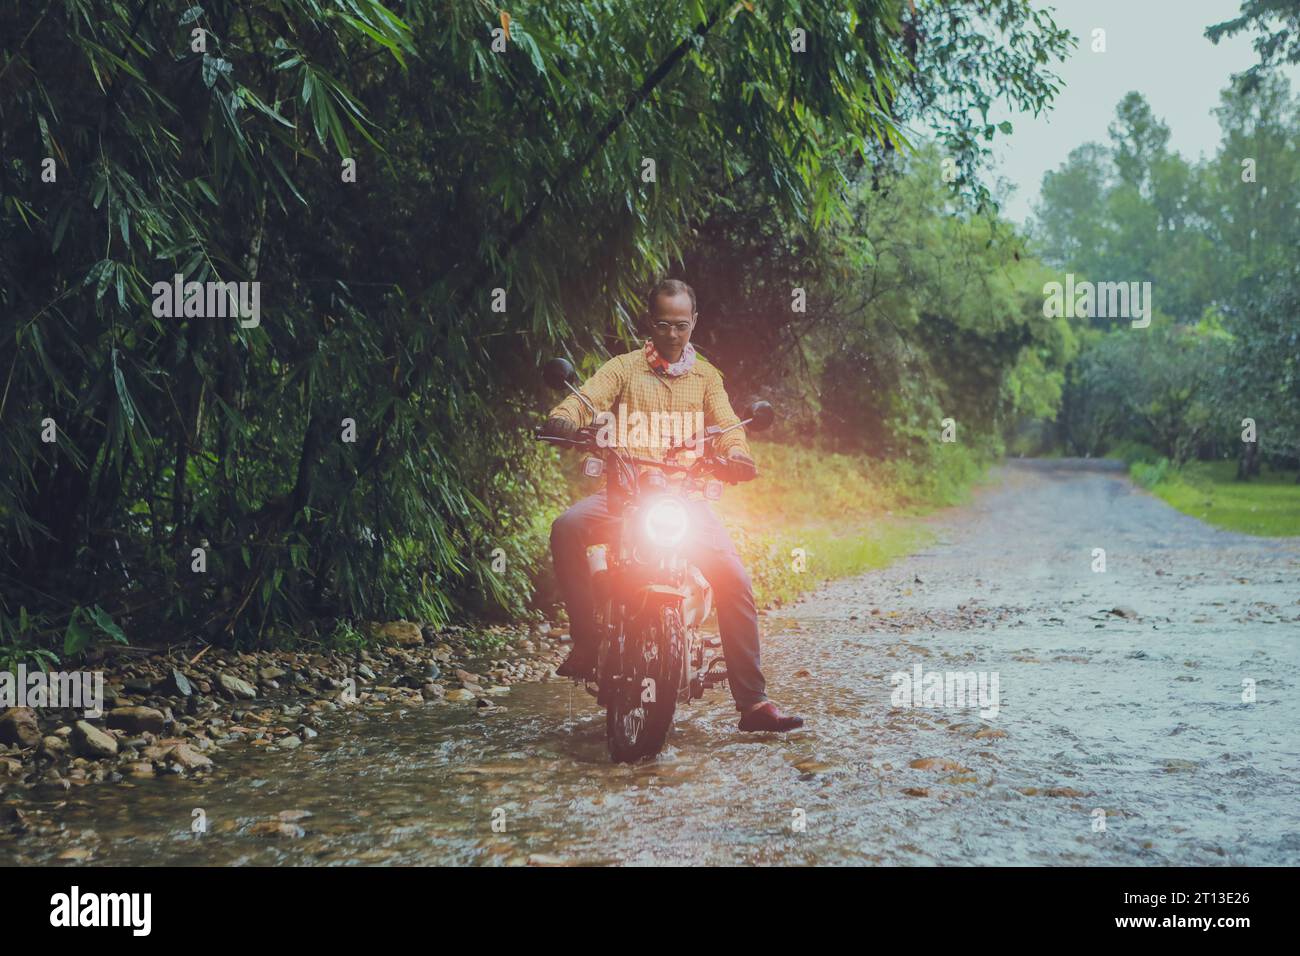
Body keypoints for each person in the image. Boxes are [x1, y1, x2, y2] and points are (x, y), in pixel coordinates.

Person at [542, 279, 804, 733]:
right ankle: (586, 642)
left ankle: (754, 704)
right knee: (566, 527)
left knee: (735, 579)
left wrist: (737, 455)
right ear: (651, 323)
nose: (672, 335)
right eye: (663, 325)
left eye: (681, 326)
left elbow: (727, 424)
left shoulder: (707, 378)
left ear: (694, 323)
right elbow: (586, 398)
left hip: (684, 500)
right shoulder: (622, 368)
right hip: (623, 495)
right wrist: (563, 420)